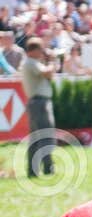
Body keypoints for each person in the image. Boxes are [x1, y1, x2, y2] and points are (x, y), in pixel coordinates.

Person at [20, 37, 56, 178]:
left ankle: (33, 170)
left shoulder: (32, 63)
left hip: (37, 103)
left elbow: (48, 76)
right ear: (33, 50)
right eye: (40, 49)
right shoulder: (30, 63)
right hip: (39, 103)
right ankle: (47, 167)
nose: (42, 52)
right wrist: (53, 61)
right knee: (45, 135)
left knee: (36, 138)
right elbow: (47, 73)